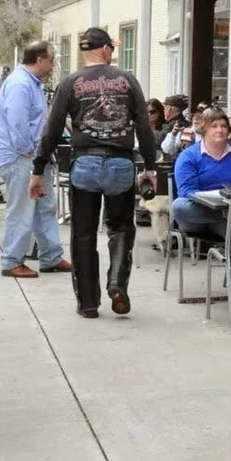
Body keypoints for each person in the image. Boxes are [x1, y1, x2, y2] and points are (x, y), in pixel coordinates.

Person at [32, 27, 158, 319]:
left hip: (85, 163)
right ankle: (117, 282)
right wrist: (150, 167)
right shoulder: (127, 81)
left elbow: (51, 130)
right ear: (104, 50)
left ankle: (88, 303)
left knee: (83, 235)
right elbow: (144, 127)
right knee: (122, 226)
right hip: (120, 162)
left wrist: (38, 169)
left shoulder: (70, 82)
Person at [0, 42, 69, 278]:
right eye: (51, 59)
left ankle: (51, 257)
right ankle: (12, 260)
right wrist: (30, 151)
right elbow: (18, 122)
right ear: (39, 60)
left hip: (36, 157)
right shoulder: (19, 84)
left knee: (45, 208)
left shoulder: (31, 83)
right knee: (22, 210)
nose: (53, 64)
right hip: (21, 158)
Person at [172, 108, 231, 300]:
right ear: (204, 130)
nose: (220, 130)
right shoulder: (189, 157)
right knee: (179, 206)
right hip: (199, 215)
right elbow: (186, 191)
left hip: (229, 214)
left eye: (223, 126)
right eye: (214, 126)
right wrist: (218, 207)